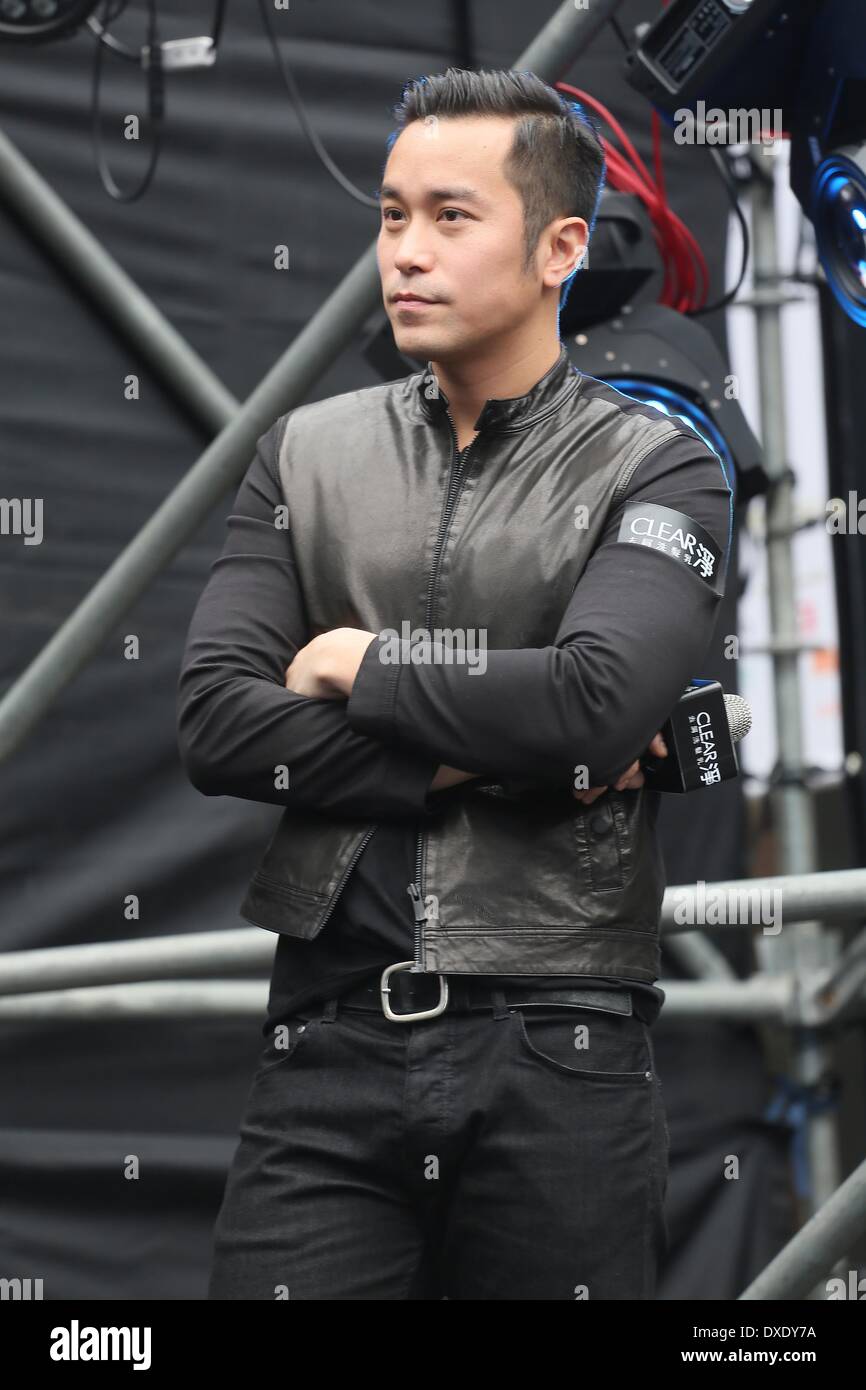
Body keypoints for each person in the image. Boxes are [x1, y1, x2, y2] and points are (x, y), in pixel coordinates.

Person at [177, 66, 734, 1300]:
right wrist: (493, 747)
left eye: (448, 216)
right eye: (389, 216)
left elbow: (594, 701)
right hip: (323, 1045)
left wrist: (363, 665)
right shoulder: (305, 453)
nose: (405, 252)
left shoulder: (662, 467)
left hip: (561, 1054)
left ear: (559, 249)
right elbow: (218, 723)